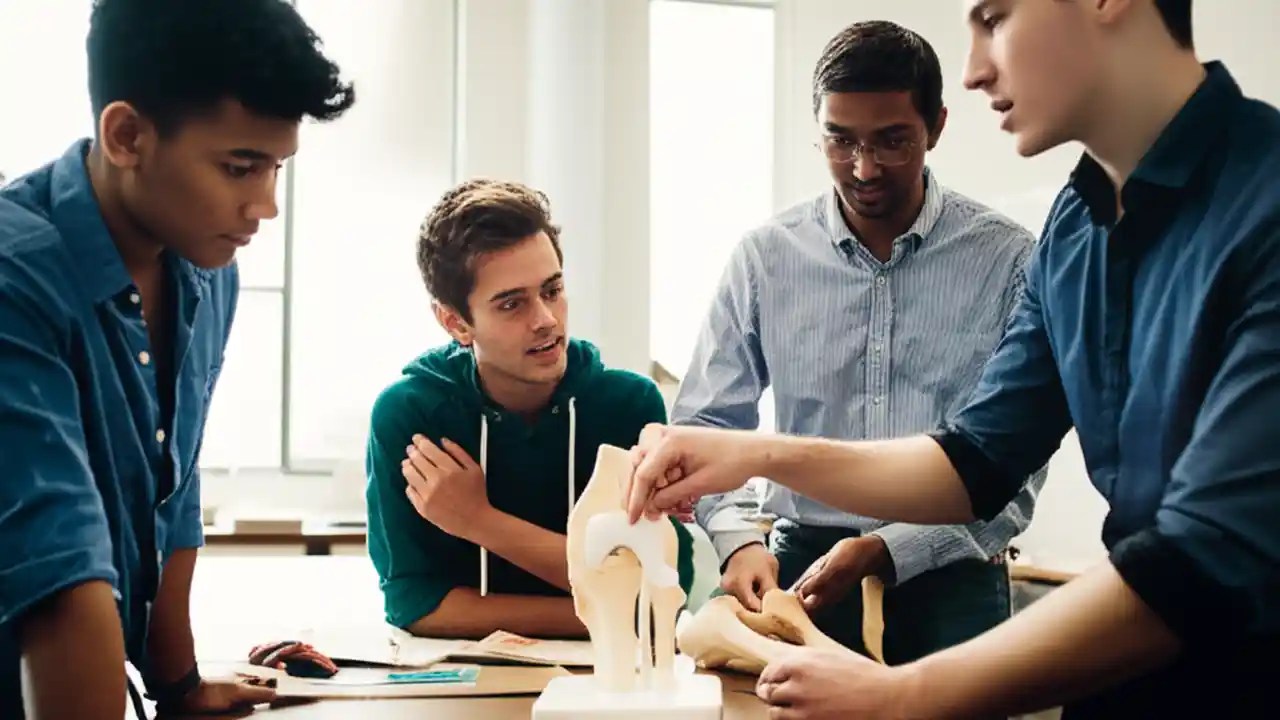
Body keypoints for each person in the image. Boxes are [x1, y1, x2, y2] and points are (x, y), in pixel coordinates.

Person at [627, 0, 1279, 716]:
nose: (971, 70)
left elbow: (1207, 555)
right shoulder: (1073, 231)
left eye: (994, 17)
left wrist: (904, 693)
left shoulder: (1262, 201)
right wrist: (755, 455)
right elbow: (974, 461)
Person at [0, 1, 354, 718]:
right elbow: (60, 572)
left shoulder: (205, 267)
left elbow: (171, 483)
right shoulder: (15, 277)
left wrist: (179, 684)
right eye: (239, 167)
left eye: (277, 168)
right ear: (127, 135)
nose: (266, 205)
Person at [676, 20, 1043, 664]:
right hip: (798, 572)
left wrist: (891, 548)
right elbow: (705, 423)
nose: (863, 168)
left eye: (892, 142)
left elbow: (1018, 461)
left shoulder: (1010, 260)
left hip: (953, 572)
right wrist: (736, 540)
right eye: (839, 141)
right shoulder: (765, 258)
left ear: (937, 127)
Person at [365, 179, 700, 639]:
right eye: (511, 303)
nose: (545, 318)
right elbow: (412, 603)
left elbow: (660, 587)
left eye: (552, 290)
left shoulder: (629, 405)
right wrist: (606, 609)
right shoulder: (410, 415)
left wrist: (479, 522)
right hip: (468, 689)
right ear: (456, 322)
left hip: (606, 683)